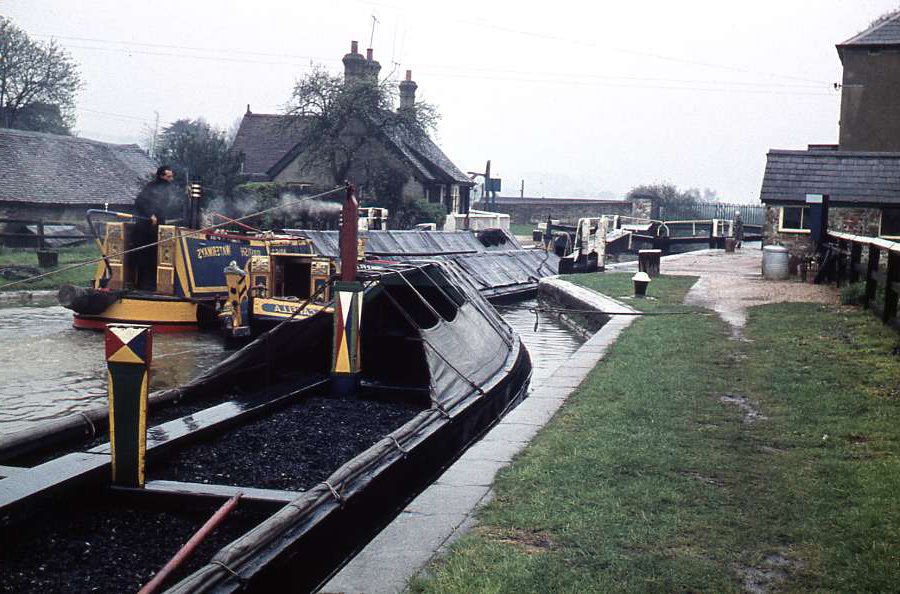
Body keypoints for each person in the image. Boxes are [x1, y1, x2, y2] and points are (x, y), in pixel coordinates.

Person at [133, 165, 177, 290]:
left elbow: (168, 205)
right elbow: (141, 202)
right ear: (161, 176)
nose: (171, 179)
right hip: (146, 228)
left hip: (159, 227)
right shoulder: (151, 187)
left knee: (157, 255)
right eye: (168, 177)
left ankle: (156, 284)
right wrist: (150, 214)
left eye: (171, 176)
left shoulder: (168, 189)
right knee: (146, 255)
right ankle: (142, 285)